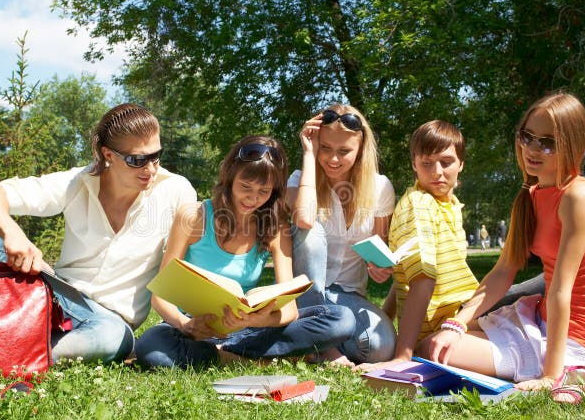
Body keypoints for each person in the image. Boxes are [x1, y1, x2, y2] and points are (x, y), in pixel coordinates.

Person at [0, 103, 196, 389]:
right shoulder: (77, 182)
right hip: (56, 296)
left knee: (113, 338)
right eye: (138, 160)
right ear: (108, 155)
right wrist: (11, 232)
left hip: (112, 321)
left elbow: (187, 262)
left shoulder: (176, 192)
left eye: (156, 155)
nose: (151, 168)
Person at [422, 92, 585, 392]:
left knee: (434, 350)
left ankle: (548, 366)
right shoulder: (530, 195)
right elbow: (504, 270)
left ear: (573, 145)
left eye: (548, 142)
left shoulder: (578, 196)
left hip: (582, 337)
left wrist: (550, 377)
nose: (532, 148)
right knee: (439, 338)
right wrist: (457, 323)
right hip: (542, 318)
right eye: (527, 137)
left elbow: (561, 290)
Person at [134, 136, 355, 368]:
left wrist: (260, 319)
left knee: (341, 319)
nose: (252, 198)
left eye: (264, 191)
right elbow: (159, 296)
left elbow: (290, 310)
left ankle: (223, 355)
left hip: (249, 331)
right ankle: (245, 358)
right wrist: (184, 324)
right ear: (230, 178)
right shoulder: (193, 216)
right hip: (194, 328)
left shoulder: (275, 227)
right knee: (151, 346)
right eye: (245, 186)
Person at [358, 120, 479, 373]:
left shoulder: (450, 203)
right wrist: (403, 356)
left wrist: (385, 319)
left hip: (465, 316)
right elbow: (422, 279)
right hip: (444, 332)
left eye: (446, 162)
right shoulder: (418, 205)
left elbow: (403, 275)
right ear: (414, 164)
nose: (437, 172)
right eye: (427, 163)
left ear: (461, 164)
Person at [286, 104, 397, 367]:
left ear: (360, 151)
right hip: (305, 293)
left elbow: (379, 247)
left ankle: (305, 341)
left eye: (344, 151)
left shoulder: (380, 187)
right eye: (325, 148)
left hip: (347, 294)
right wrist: (309, 154)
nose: (333, 159)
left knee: (379, 347)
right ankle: (325, 349)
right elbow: (302, 219)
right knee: (309, 228)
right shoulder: (299, 179)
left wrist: (380, 268)